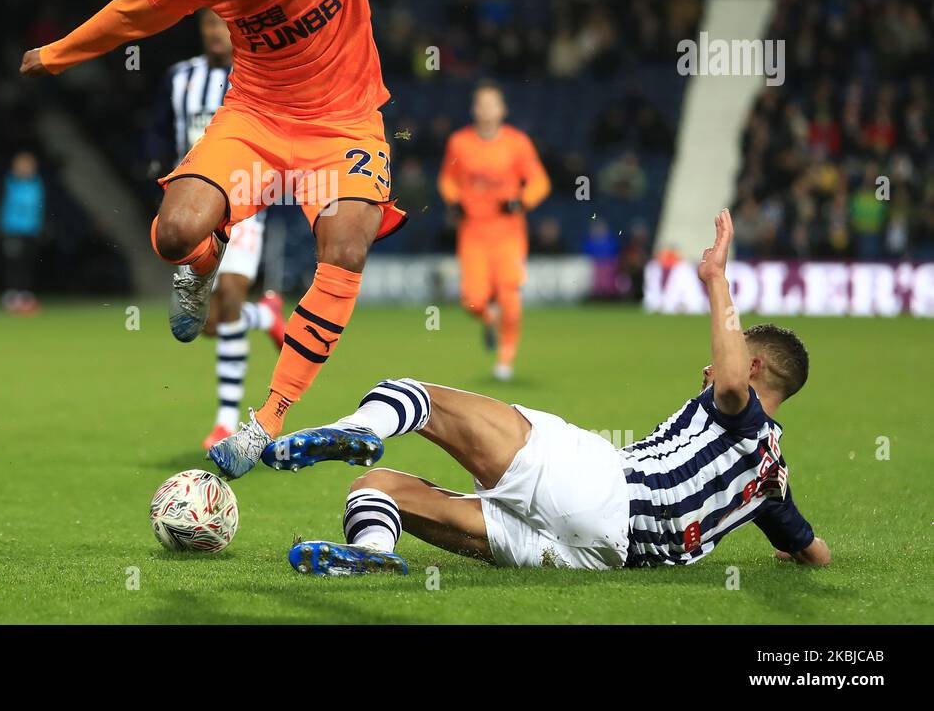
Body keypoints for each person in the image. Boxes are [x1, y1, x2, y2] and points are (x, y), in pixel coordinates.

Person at [20, 0, 458, 477]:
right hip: (255, 119)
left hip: (342, 123)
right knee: (172, 233)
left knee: (344, 243)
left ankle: (267, 421)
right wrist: (58, 53)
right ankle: (203, 262)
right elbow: (136, 12)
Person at [264, 209, 831, 576]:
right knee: (376, 488)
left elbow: (731, 381)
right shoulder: (771, 481)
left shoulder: (740, 413)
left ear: (754, 365)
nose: (710, 366)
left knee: (413, 396)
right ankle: (373, 554)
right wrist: (795, 551)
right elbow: (815, 552)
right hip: (597, 558)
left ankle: (359, 428)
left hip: (604, 487)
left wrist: (716, 280)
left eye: (728, 354)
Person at [155, 9, 285, 448]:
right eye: (208, 25)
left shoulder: (258, 77)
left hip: (244, 201)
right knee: (209, 322)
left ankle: (226, 422)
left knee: (228, 296)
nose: (215, 33)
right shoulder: (178, 77)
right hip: (195, 207)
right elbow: (161, 137)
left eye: (222, 26)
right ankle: (266, 315)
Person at [438, 82, 549, 380]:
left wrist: (521, 201)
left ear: (502, 109)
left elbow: (539, 182)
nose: (486, 110)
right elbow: (448, 180)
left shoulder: (517, 143)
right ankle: (490, 317)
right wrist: (454, 200)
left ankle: (505, 361)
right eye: (481, 104)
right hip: (473, 231)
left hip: (508, 233)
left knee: (509, 293)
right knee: (472, 300)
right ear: (474, 110)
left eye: (492, 104)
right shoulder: (459, 142)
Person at [0, 152, 44, 315]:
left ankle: (25, 296)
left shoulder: (36, 184)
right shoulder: (11, 183)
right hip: (13, 229)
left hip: (30, 231)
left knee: (26, 264)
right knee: (14, 264)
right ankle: (12, 297)